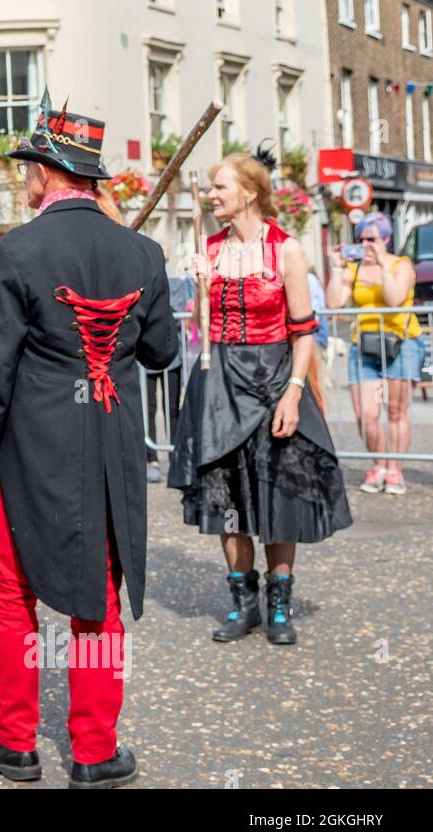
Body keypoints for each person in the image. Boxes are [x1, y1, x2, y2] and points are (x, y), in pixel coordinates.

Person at [0, 99, 178, 789]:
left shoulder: (15, 251)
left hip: (32, 443)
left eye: (28, 166)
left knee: (12, 589)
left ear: (48, 173)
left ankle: (14, 741)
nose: (24, 177)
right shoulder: (142, 251)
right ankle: (93, 751)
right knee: (97, 593)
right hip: (111, 442)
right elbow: (163, 352)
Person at [169, 146, 352, 647]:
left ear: (249, 193)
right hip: (220, 383)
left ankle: (279, 603)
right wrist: (201, 287)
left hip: (274, 378)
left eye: (220, 187)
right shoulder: (208, 249)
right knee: (226, 493)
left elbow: (303, 330)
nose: (211, 195)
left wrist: (294, 392)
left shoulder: (284, 249)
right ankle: (242, 601)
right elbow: (203, 329)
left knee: (278, 494)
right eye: (210, 187)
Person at [326, 211, 424, 495]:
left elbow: (394, 299)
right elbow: (334, 303)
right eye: (361, 239)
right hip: (364, 344)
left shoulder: (401, 265)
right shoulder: (354, 269)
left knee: (395, 410)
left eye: (372, 239)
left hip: (400, 343)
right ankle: (379, 466)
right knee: (366, 413)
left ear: (386, 239)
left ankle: (395, 470)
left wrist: (382, 264)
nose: (366, 244)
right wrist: (337, 268)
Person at [144, 276, 191, 483]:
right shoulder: (144, 280)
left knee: (172, 407)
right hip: (146, 357)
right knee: (149, 408)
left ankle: (174, 455)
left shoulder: (177, 284)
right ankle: (151, 458)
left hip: (172, 357)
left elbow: (180, 315)